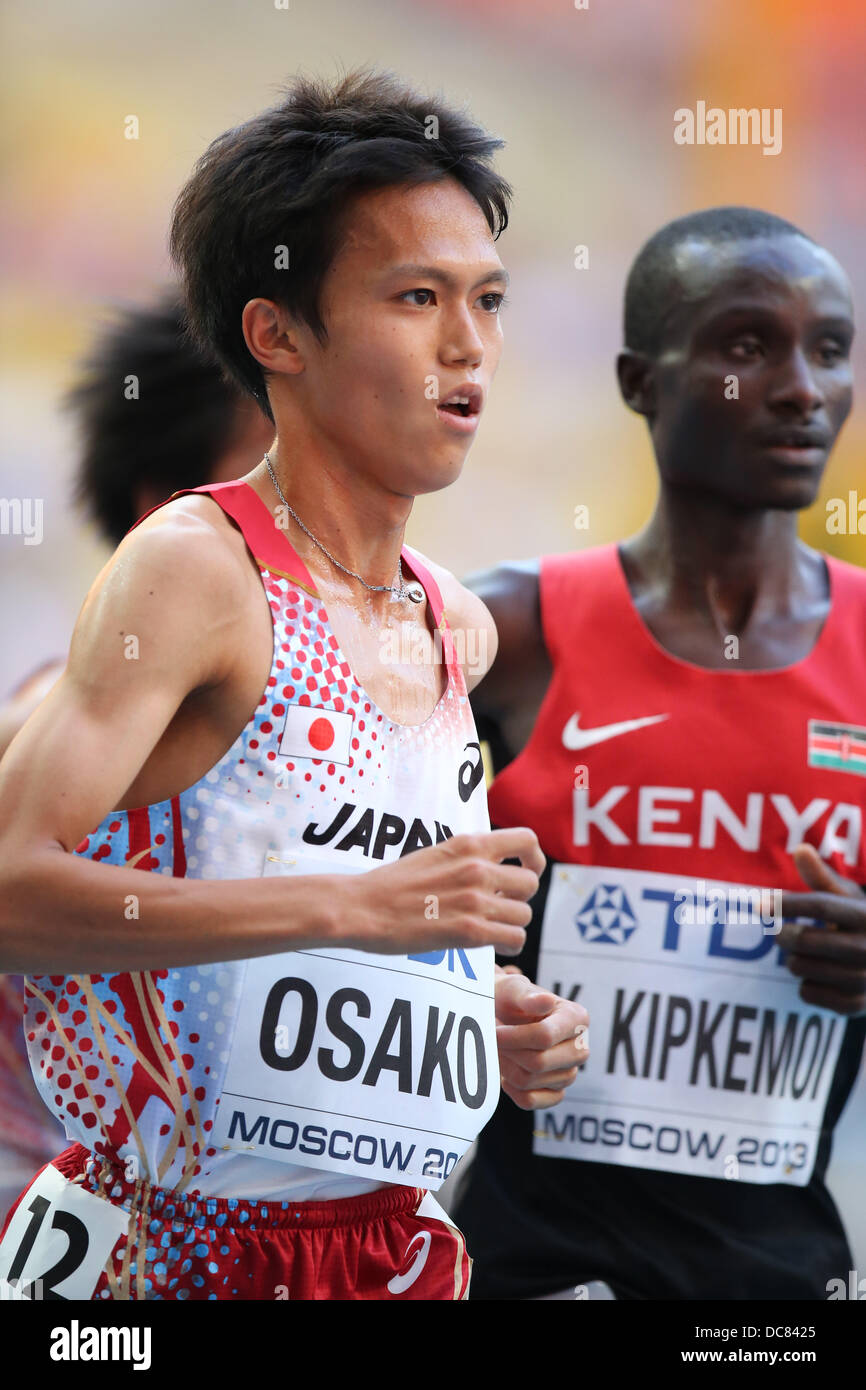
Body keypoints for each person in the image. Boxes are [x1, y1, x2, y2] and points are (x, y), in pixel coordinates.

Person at [0, 68, 586, 1302]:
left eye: (485, 299)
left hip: (389, 1249)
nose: (466, 344)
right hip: (166, 1256)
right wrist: (353, 910)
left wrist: (480, 1013)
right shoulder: (192, 571)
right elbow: (10, 891)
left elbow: (354, 932)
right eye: (415, 297)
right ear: (277, 333)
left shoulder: (455, 623)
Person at [453, 206, 866, 1301]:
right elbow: (346, 893)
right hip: (537, 1265)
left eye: (830, 349)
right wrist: (470, 992)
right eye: (745, 345)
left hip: (775, 1282)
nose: (799, 388)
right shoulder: (508, 632)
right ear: (641, 379)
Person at [0, 291, 274, 1224]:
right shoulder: (61, 727)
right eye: (282, 489)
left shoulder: (332, 719)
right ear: (167, 512)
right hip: (60, 1210)